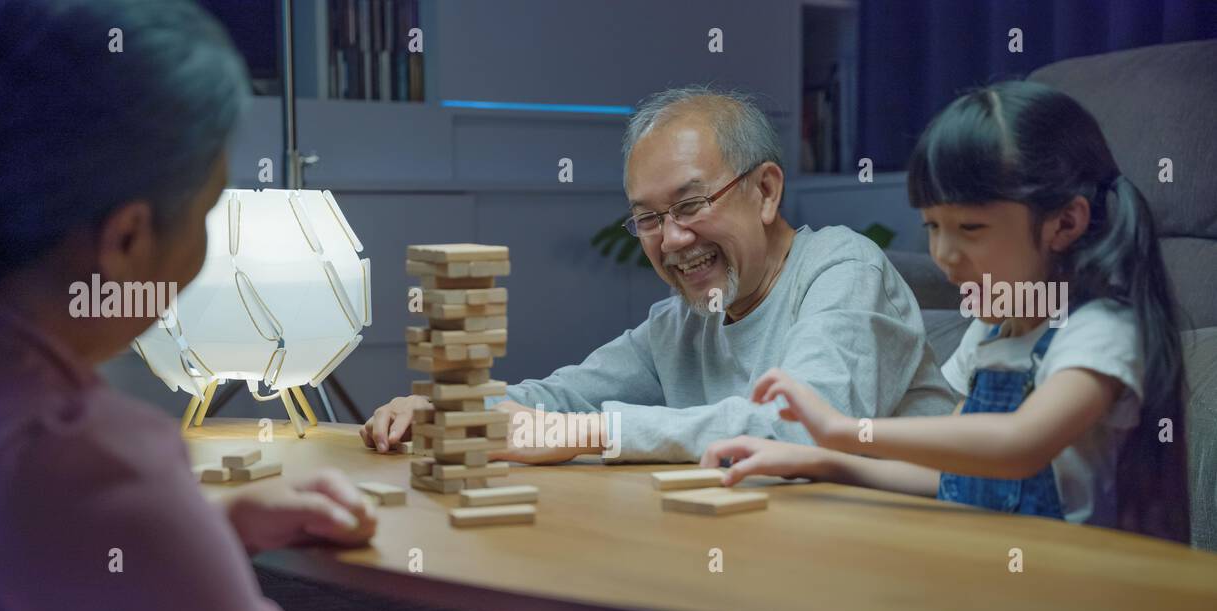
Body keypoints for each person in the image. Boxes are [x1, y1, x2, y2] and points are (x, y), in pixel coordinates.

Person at [0, 0, 508, 611]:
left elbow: (11, 571)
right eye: (207, 212)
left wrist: (202, 529)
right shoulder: (83, 460)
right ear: (125, 240)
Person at [687, 81, 1189, 611]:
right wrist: (822, 460)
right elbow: (960, 480)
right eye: (932, 227)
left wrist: (842, 424)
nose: (946, 255)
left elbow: (1018, 446)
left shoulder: (1102, 333)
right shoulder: (994, 330)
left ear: (1066, 222)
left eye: (972, 227)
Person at [360, 86, 955, 463]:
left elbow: (805, 429)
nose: (671, 239)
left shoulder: (842, 267)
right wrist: (449, 409)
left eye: (691, 205)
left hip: (891, 583)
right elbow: (562, 396)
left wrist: (581, 435)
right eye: (647, 218)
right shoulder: (679, 324)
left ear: (767, 191)